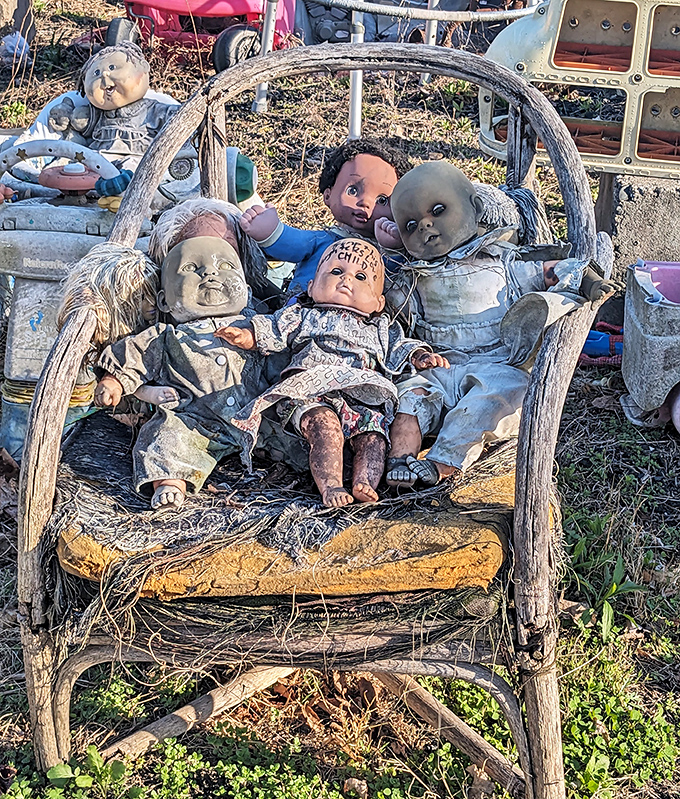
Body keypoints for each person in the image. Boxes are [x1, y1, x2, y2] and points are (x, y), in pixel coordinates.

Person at [375, 160, 613, 487]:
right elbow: (388, 309)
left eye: (438, 210)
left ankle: (442, 462)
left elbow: (550, 270)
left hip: (496, 361)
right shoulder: (414, 278)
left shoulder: (500, 263)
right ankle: (400, 459)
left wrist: (587, 281)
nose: (425, 227)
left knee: (499, 393)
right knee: (410, 395)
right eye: (411, 225)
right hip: (441, 365)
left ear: (474, 208)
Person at [215, 238, 448, 507]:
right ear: (312, 287)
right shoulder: (303, 314)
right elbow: (273, 329)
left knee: (373, 439)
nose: (347, 280)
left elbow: (400, 347)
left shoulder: (381, 327)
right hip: (312, 391)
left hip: (364, 398)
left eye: (361, 277)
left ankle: (364, 483)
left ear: (378, 302)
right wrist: (248, 335)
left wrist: (420, 356)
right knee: (326, 430)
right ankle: (331, 486)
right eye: (336, 271)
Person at [93, 236, 266, 511]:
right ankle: (170, 482)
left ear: (246, 290)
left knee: (301, 423)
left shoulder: (259, 326)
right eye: (190, 269)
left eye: (224, 265)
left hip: (260, 414)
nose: (210, 272)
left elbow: (283, 349)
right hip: (196, 421)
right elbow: (135, 354)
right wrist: (114, 380)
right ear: (164, 301)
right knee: (166, 435)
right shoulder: (166, 337)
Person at [239, 138, 412, 295]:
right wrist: (271, 232)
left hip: (356, 321)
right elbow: (293, 244)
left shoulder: (380, 252)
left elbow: (391, 280)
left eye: (382, 200)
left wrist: (394, 251)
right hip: (303, 310)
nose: (365, 203)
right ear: (327, 194)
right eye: (353, 191)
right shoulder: (321, 240)